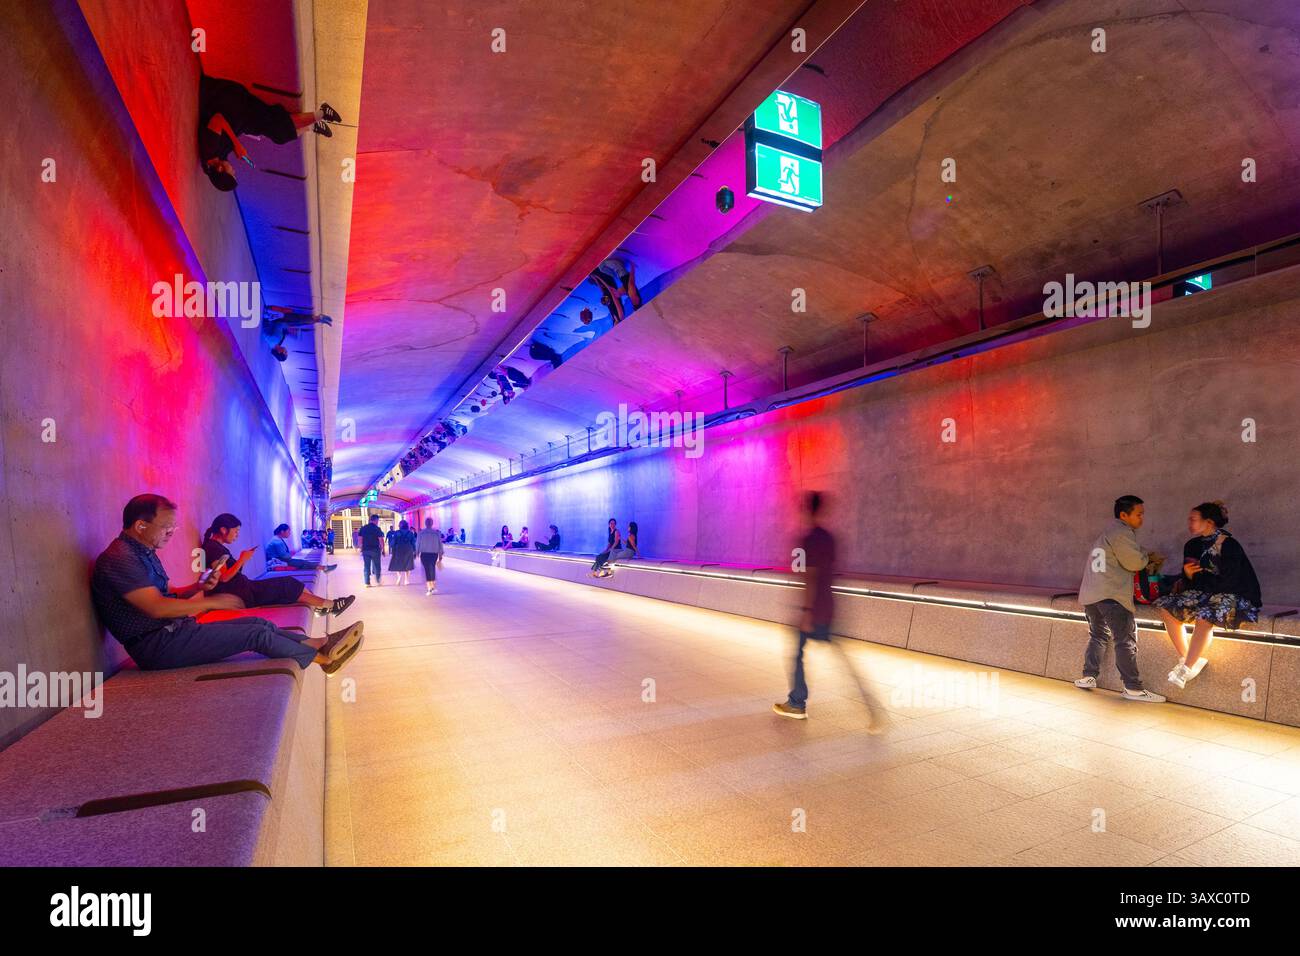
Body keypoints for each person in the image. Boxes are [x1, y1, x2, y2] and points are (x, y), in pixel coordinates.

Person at [92, 494, 362, 674]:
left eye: (173, 527)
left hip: (176, 632)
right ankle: (325, 659)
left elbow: (168, 593)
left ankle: (321, 642)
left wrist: (201, 587)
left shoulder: (144, 552)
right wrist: (213, 600)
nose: (172, 533)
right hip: (157, 647)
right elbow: (156, 607)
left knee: (260, 624)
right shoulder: (119, 559)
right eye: (166, 527)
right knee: (254, 635)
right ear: (140, 526)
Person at [773, 491, 883, 730]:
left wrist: (806, 611)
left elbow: (808, 576)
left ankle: (797, 703)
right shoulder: (830, 538)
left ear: (805, 510)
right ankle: (873, 709)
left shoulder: (806, 539)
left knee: (797, 654)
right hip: (829, 606)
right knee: (842, 661)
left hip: (814, 611)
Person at [1154, 501, 1261, 689]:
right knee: (1166, 608)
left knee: (1206, 615)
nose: (1189, 523)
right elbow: (1193, 580)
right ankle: (1189, 660)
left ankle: (1186, 668)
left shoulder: (1229, 545)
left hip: (1233, 592)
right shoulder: (1192, 545)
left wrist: (1205, 590)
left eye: (1193, 519)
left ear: (1209, 522)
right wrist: (1187, 574)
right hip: (1205, 591)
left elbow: (1233, 579)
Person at [1072, 496, 1165, 702]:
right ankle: (1133, 687)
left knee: (1098, 635)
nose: (1142, 518)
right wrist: (1146, 556)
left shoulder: (1107, 533)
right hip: (1111, 595)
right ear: (1124, 515)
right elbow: (1134, 563)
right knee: (1125, 640)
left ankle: (1089, 676)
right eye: (1138, 514)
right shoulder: (1121, 532)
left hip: (1091, 594)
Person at [198, 74, 341, 191]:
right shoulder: (214, 163)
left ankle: (322, 113)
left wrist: (237, 145)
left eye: (232, 172)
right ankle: (314, 125)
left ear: (221, 169)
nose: (234, 170)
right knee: (279, 136)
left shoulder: (209, 149)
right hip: (239, 121)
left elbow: (218, 119)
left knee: (275, 124)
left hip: (229, 104)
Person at [203, 514, 354, 617]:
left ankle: (322, 607)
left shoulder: (217, 547)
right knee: (286, 585)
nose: (237, 535)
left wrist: (242, 560)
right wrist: (242, 559)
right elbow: (224, 578)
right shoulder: (212, 548)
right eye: (235, 531)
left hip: (245, 587)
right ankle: (331, 606)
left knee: (290, 582)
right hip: (242, 593)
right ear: (223, 530)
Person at [265, 524, 335, 573]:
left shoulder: (276, 539)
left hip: (283, 560)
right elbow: (285, 556)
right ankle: (325, 568)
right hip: (282, 562)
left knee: (304, 562)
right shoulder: (277, 542)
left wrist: (288, 554)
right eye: (288, 531)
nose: (289, 533)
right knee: (304, 563)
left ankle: (324, 568)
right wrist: (289, 554)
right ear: (282, 531)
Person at [416, 518, 445, 595]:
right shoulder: (436, 533)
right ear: (432, 523)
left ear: (425, 523)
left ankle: (430, 587)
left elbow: (418, 543)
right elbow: (440, 544)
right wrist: (440, 554)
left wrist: (417, 552)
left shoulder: (421, 533)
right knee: (432, 567)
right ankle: (433, 586)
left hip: (424, 553)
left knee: (427, 569)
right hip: (433, 553)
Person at [358, 514, 386, 587]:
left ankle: (367, 583)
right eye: (378, 520)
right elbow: (381, 540)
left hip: (366, 550)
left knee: (366, 566)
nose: (378, 522)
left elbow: (360, 539)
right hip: (375, 550)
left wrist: (361, 548)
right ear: (376, 520)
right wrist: (383, 550)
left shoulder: (363, 528)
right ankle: (378, 581)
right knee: (377, 566)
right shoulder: (377, 529)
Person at [388, 520, 417, 586]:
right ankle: (406, 580)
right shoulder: (410, 533)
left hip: (398, 550)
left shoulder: (396, 533)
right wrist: (414, 551)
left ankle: (399, 577)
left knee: (398, 564)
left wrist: (392, 547)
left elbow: (393, 542)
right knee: (408, 564)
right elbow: (413, 543)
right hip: (408, 549)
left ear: (400, 526)